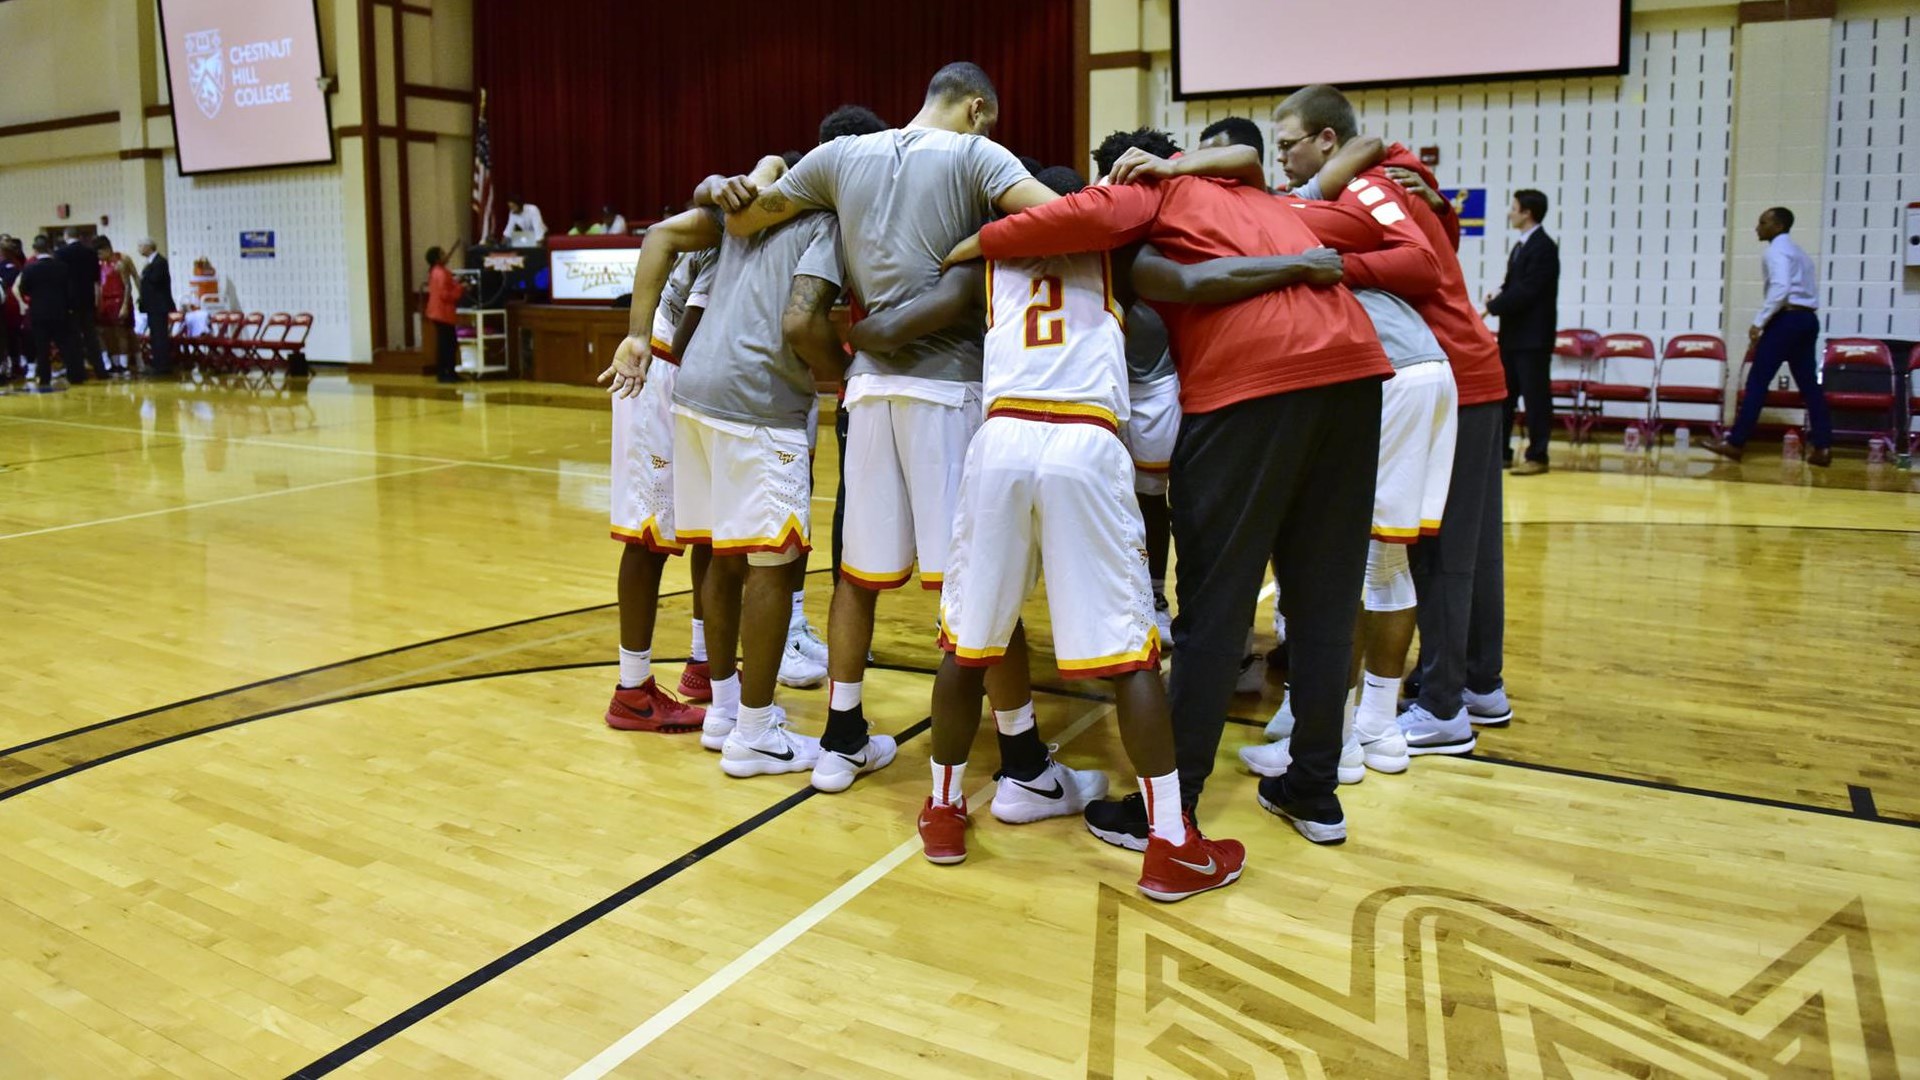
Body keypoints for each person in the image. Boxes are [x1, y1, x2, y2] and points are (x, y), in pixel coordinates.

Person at [959, 128, 1416, 847]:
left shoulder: (1141, 193)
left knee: (1215, 603)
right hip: (1354, 369)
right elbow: (1316, 198)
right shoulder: (1254, 191)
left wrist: (972, 245)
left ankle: (1172, 808)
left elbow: (1065, 221)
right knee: (1326, 595)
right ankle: (1314, 791)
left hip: (1250, 380)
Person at [869, 164, 1244, 900]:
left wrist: (849, 333)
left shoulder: (992, 258)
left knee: (967, 642)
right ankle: (1170, 843)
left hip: (1002, 440)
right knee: (1130, 656)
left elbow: (896, 324)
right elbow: (1191, 287)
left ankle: (943, 811)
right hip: (1084, 440)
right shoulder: (1118, 254)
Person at [722, 61, 1057, 795]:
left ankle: (843, 737)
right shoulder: (978, 153)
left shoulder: (843, 156)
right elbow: (1062, 216)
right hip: (949, 389)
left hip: (868, 391)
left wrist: (738, 181)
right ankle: (1026, 761)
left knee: (857, 575)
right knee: (977, 580)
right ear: (976, 108)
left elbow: (744, 216)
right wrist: (980, 245)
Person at [605, 154, 849, 781]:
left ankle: (713, 688)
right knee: (664, 539)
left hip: (690, 381)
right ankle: (649, 691)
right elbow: (688, 287)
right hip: (675, 366)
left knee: (711, 543)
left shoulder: (749, 207)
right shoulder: (770, 217)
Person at [599, 244, 719, 734]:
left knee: (709, 529)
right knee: (648, 536)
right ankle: (631, 690)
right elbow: (659, 238)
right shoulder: (719, 228)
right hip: (663, 373)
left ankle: (703, 661)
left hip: (687, 378)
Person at [1704, 207, 1830, 467]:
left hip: (1786, 320)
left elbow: (1781, 287)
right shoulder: (1800, 253)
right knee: (1809, 386)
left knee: (1757, 382)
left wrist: (1759, 321)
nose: (1757, 227)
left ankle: (1735, 443)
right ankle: (1823, 446)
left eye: (1763, 222)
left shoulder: (1775, 250)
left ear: (1779, 226)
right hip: (1808, 319)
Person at [1486, 190, 1560, 475]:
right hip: (1513, 336)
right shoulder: (1520, 246)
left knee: (1535, 398)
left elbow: (1529, 290)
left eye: (1514, 207)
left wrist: (1494, 306)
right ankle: (1502, 453)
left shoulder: (1544, 247)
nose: (1510, 212)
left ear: (1527, 212)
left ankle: (1538, 455)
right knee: (1506, 396)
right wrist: (1498, 293)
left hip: (1533, 339)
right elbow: (1513, 284)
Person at [16, 235, 85, 391]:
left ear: (35, 250)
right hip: (60, 312)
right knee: (66, 345)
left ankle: (44, 378)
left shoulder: (30, 268)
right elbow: (70, 291)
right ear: (49, 249)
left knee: (42, 347)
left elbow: (23, 289)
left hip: (39, 313)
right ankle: (75, 375)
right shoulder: (62, 267)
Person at [56, 227, 109, 380]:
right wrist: (97, 301)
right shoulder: (91, 253)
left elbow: (60, 279)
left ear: (66, 236)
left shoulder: (61, 254)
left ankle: (77, 372)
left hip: (70, 301)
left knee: (73, 338)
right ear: (79, 237)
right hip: (87, 299)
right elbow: (96, 280)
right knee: (91, 337)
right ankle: (101, 370)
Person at [93, 237, 136, 376]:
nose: (98, 257)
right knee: (107, 333)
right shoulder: (101, 264)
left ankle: (124, 364)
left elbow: (127, 285)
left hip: (118, 299)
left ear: (107, 249)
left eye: (100, 253)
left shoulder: (120, 263)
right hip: (105, 301)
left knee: (121, 333)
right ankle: (115, 363)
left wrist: (125, 305)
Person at [138, 239, 176, 377]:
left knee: (160, 336)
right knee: (155, 336)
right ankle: (157, 363)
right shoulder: (149, 263)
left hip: (159, 306)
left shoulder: (160, 262)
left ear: (149, 247)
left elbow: (155, 280)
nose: (139, 249)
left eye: (141, 246)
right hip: (152, 306)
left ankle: (163, 365)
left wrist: (144, 275)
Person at [424, 246, 463, 382]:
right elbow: (445, 294)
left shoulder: (437, 271)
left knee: (448, 343)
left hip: (439, 312)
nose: (446, 255)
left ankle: (448, 372)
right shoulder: (440, 273)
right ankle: (445, 373)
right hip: (442, 312)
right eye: (443, 254)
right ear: (437, 258)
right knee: (447, 344)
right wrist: (460, 288)